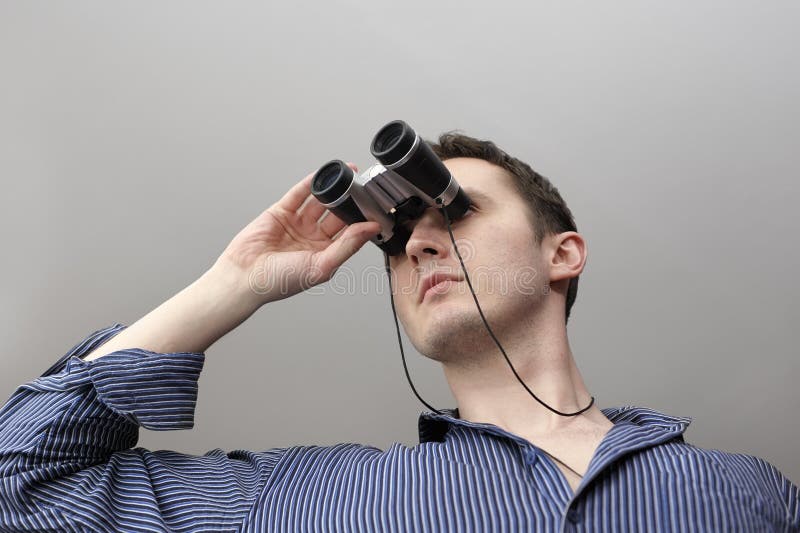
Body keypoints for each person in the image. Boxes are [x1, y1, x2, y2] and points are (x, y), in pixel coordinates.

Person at [0, 133, 796, 533]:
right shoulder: (302, 498)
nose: (415, 242)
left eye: (455, 210)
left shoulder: (747, 494)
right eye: (394, 237)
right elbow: (23, 489)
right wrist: (232, 284)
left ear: (564, 254)